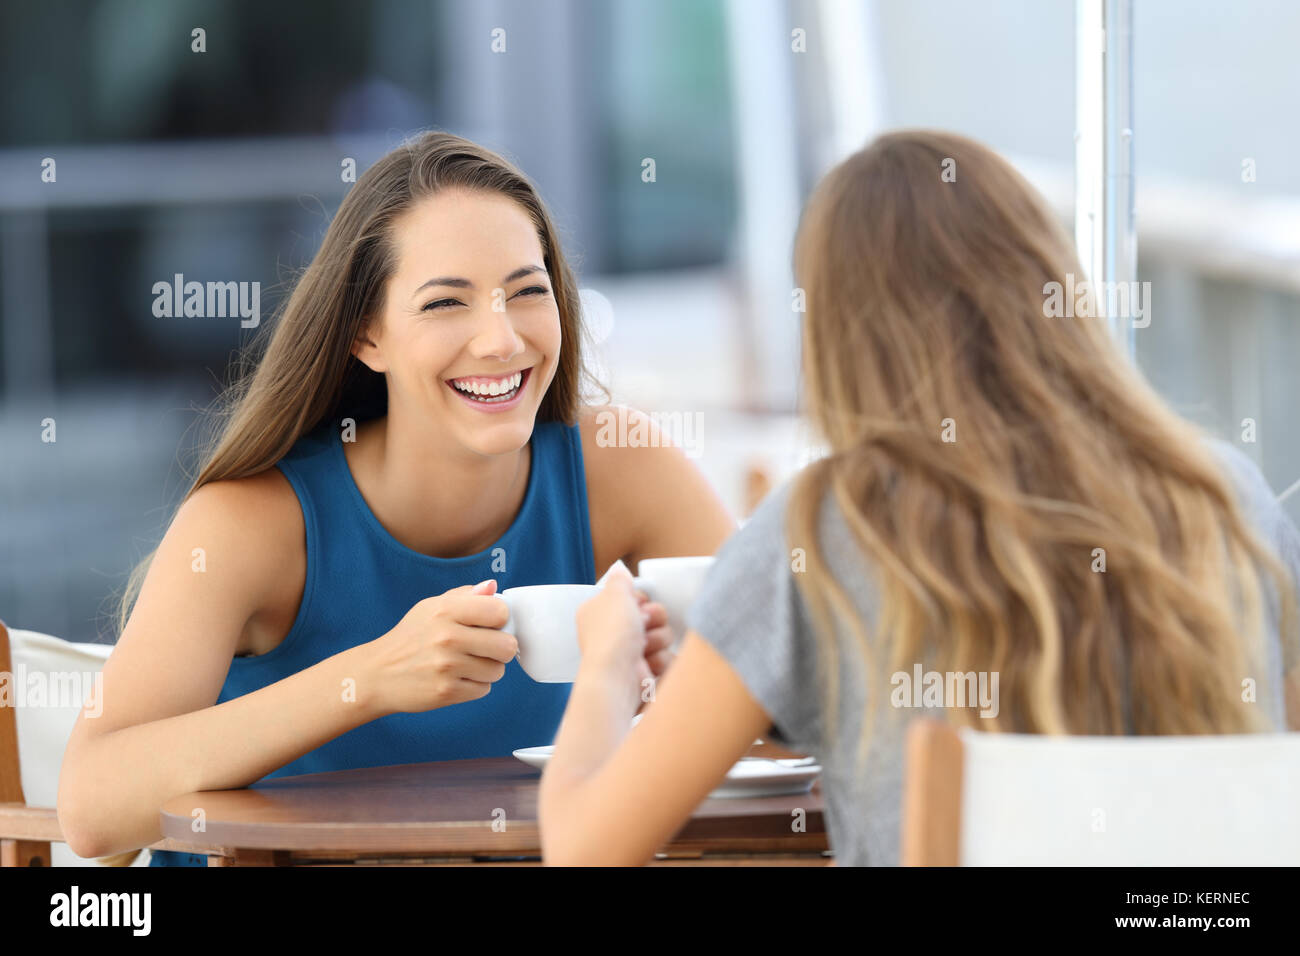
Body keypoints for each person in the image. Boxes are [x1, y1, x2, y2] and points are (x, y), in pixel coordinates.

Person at [538, 129, 1300, 866]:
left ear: (838, 331)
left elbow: (584, 849)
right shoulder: (1224, 496)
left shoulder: (823, 533)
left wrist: (608, 660)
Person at [57, 131, 734, 865]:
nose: (501, 339)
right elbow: (92, 807)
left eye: (528, 291)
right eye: (447, 303)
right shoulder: (250, 522)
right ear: (367, 336)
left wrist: (671, 691)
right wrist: (371, 678)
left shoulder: (620, 468)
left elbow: (793, 684)